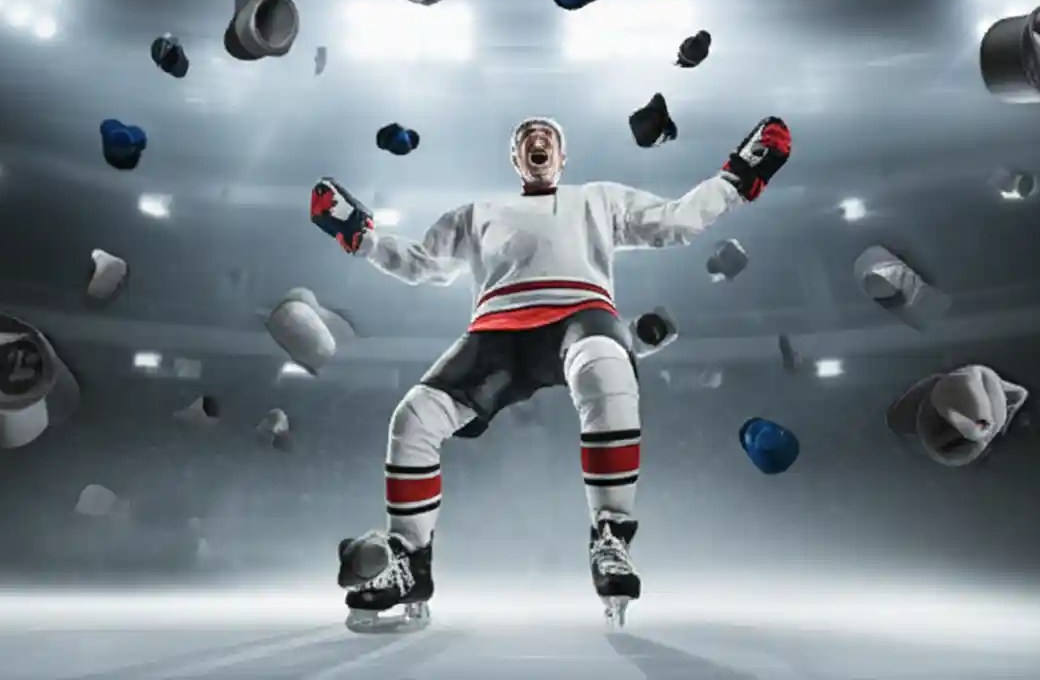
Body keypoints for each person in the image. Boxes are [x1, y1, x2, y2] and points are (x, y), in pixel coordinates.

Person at [310, 115, 792, 630]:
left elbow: (674, 222)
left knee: (607, 372)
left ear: (564, 158)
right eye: (525, 139)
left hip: (578, 315)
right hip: (496, 332)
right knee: (414, 419)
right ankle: (409, 558)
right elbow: (423, 263)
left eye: (548, 138)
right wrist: (360, 236)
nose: (537, 140)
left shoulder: (598, 199)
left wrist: (737, 178)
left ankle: (611, 535)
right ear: (516, 160)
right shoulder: (478, 213)